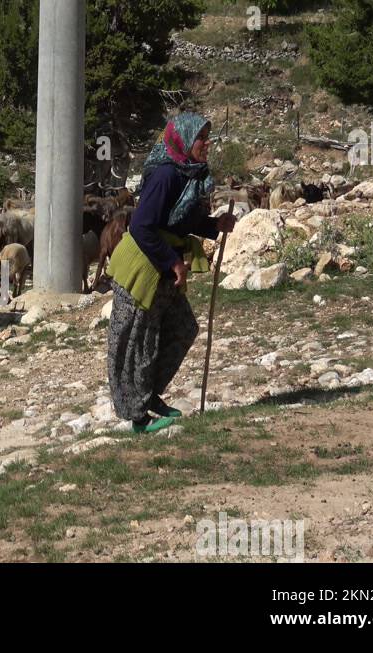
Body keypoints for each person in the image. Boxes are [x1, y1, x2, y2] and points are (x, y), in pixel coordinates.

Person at [105, 112, 235, 433]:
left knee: (182, 328)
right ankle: (138, 417)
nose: (206, 144)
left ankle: (148, 394)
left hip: (162, 268)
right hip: (142, 269)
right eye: (200, 138)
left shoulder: (189, 174)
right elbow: (141, 227)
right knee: (138, 342)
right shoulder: (166, 175)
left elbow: (180, 220)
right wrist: (173, 262)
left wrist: (214, 226)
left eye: (207, 137)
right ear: (183, 141)